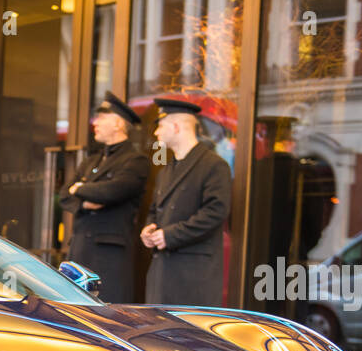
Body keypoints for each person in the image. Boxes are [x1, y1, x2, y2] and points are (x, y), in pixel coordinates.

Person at [59, 91, 150, 304]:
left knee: (107, 313)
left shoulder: (135, 161)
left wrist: (79, 189)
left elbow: (112, 192)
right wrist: (85, 199)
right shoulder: (91, 160)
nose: (95, 123)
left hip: (108, 256)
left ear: (118, 124)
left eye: (101, 118)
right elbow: (64, 194)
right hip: (80, 250)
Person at [140, 97, 232, 307]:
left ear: (176, 126)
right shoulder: (166, 170)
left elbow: (215, 212)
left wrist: (169, 235)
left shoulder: (213, 165)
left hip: (192, 277)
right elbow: (155, 210)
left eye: (160, 126)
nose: (156, 133)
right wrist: (149, 229)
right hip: (161, 274)